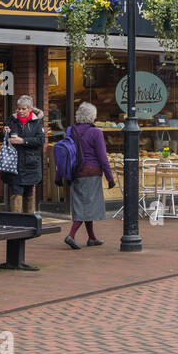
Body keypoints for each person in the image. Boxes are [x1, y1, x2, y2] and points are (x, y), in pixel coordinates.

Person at [63, 102, 115, 249]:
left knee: (84, 204)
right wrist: (110, 178)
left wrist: (59, 176)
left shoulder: (71, 130)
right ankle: (71, 235)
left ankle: (92, 238)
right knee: (87, 206)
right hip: (91, 173)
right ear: (92, 117)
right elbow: (102, 157)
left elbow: (67, 153)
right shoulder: (96, 132)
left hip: (75, 172)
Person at [1, 95, 45, 213]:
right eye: (19, 108)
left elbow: (41, 140)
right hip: (13, 163)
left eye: (23, 109)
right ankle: (17, 222)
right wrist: (4, 132)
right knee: (16, 191)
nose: (20, 111)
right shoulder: (11, 120)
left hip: (30, 163)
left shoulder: (37, 122)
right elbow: (1, 137)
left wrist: (23, 141)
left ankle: (29, 220)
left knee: (29, 191)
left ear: (30, 109)